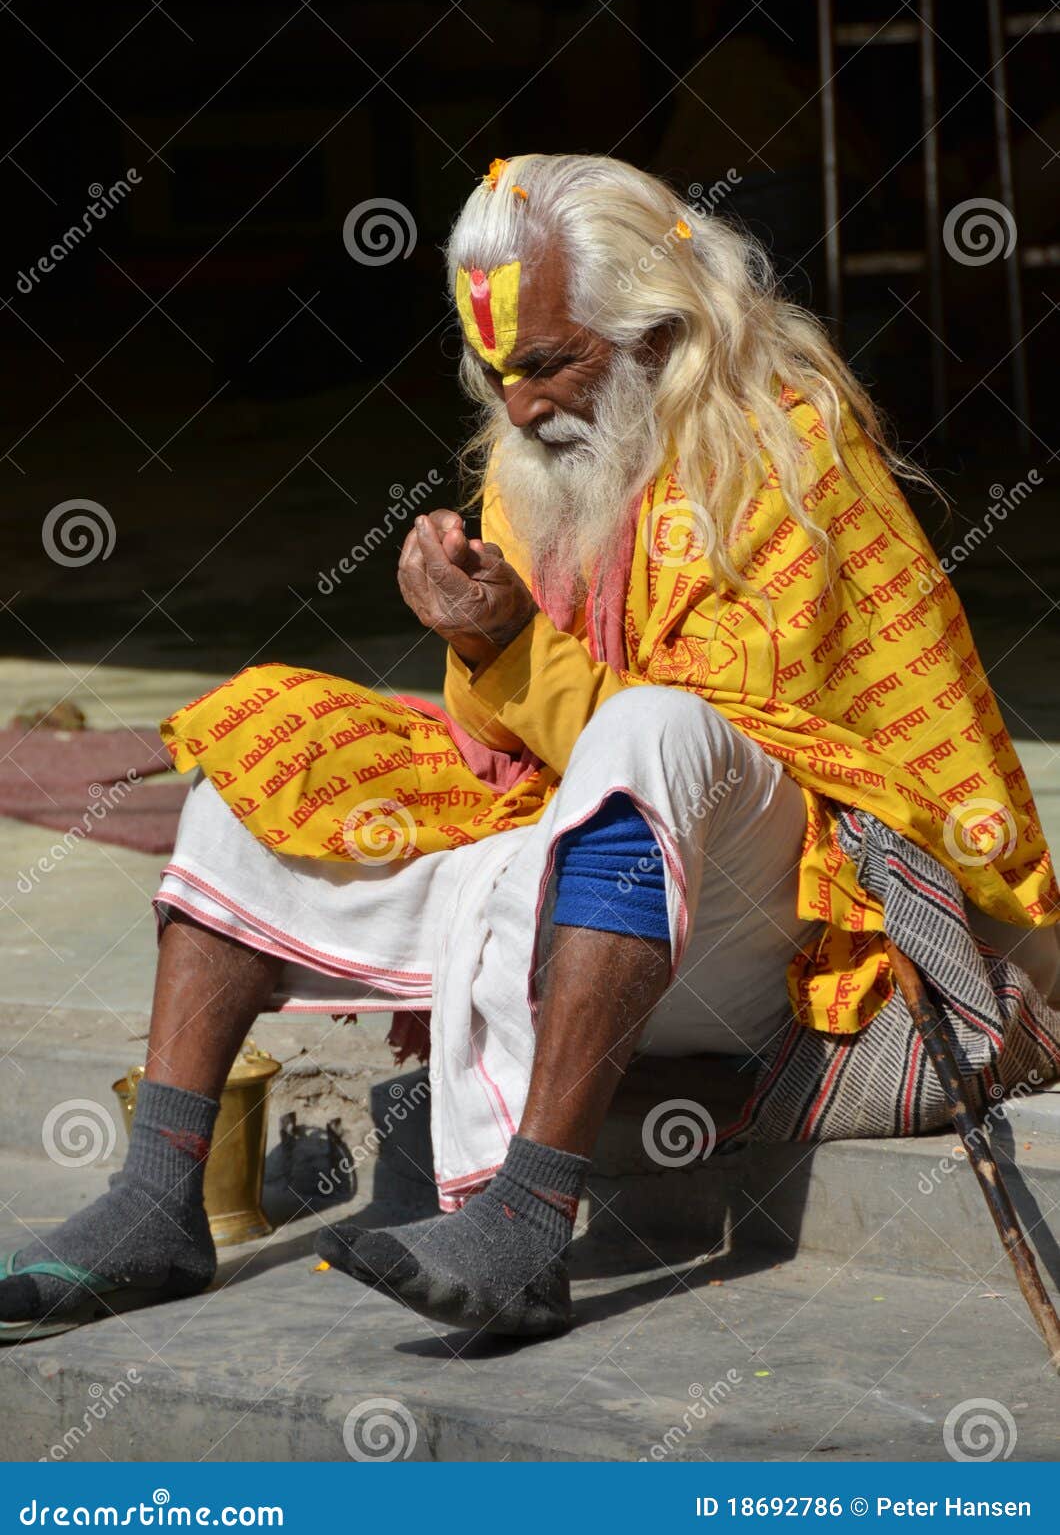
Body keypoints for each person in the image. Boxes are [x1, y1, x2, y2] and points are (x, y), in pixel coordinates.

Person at [4, 153, 1058, 1346]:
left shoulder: (791, 449)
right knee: (264, 748)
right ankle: (157, 1200)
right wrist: (478, 639)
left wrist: (510, 645)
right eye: (497, 372)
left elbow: (721, 733)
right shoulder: (538, 457)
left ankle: (527, 1218)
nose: (515, 407)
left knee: (653, 733)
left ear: (658, 332)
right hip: (598, 892)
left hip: (786, 934)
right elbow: (503, 737)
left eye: (548, 363)